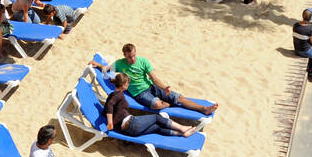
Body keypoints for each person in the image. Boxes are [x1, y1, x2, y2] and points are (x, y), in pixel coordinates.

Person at [90, 44, 218, 115]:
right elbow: (107, 69)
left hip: (152, 87)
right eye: (129, 57)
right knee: (157, 105)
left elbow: (154, 78)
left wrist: (164, 88)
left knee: (180, 98)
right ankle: (168, 103)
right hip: (139, 93)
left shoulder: (143, 61)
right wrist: (99, 65)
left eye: (134, 55)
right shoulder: (119, 63)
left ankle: (203, 109)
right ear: (124, 55)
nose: (132, 59)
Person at [105, 73, 200, 137]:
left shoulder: (112, 95)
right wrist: (110, 123)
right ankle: (182, 128)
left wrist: (114, 122)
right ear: (123, 85)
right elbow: (109, 105)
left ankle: (182, 134)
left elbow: (107, 108)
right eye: (128, 83)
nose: (129, 85)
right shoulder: (119, 95)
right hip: (131, 124)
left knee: (156, 127)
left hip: (128, 130)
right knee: (156, 117)